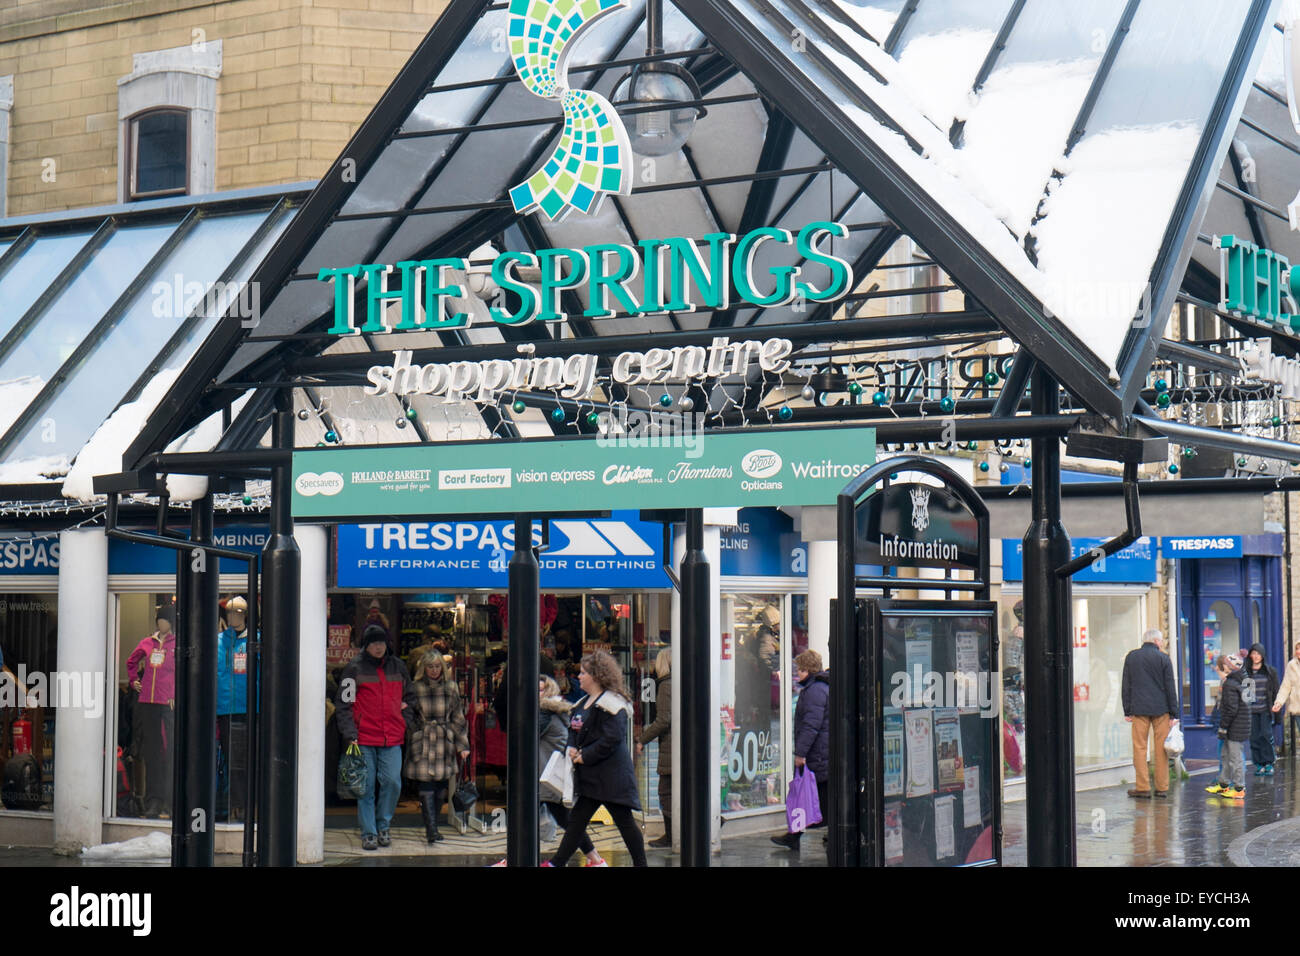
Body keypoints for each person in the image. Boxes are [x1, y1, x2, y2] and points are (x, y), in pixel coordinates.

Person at [544, 650, 647, 867]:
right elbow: (573, 730)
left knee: (625, 823)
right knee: (576, 824)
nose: (579, 676)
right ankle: (556, 863)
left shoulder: (613, 703)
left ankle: (641, 864)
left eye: (583, 673)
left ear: (596, 676)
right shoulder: (582, 703)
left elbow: (612, 738)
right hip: (592, 777)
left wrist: (584, 756)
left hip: (612, 777)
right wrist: (571, 748)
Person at [335, 624, 420, 851]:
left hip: (392, 737)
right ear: (366, 645)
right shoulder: (354, 669)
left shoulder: (399, 667)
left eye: (381, 642)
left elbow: (411, 697)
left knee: (393, 782)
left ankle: (384, 825)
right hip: (363, 738)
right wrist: (350, 733)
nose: (378, 646)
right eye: (373, 642)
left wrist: (405, 719)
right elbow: (344, 705)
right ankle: (369, 832)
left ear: (387, 643)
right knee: (365, 788)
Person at [539, 675, 605, 866]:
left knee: (567, 821)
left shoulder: (544, 713)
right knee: (567, 821)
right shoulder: (556, 711)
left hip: (546, 775)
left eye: (541, 689)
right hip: (549, 775)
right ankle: (594, 859)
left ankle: (591, 859)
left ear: (549, 691)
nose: (537, 693)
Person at [405, 650, 470, 844]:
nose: (434, 670)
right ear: (423, 668)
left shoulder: (451, 687)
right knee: (426, 784)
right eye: (430, 666)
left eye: (437, 666)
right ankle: (431, 829)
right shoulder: (415, 687)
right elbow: (409, 713)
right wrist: (415, 730)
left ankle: (434, 825)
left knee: (441, 787)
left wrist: (462, 744)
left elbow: (458, 717)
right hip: (423, 738)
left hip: (444, 738)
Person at [772, 649, 830, 852]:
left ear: (808, 669)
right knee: (813, 795)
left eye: (800, 669)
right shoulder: (819, 688)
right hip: (821, 753)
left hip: (817, 754)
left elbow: (811, 726)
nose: (798, 674)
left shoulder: (815, 691)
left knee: (807, 794)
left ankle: (795, 835)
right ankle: (795, 834)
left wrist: (801, 753)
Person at [126, 613, 177, 818]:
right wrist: (133, 680)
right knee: (152, 752)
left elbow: (182, 670)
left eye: (165, 621)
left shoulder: (176, 644)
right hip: (148, 701)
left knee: (171, 751)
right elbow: (131, 661)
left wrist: (174, 693)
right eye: (159, 621)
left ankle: (171, 800)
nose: (162, 624)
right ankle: (154, 800)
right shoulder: (147, 642)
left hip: (168, 703)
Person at [1120, 628, 1179, 798]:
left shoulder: (1132, 657)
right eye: (1161, 641)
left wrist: (1127, 709)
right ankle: (1162, 787)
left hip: (1139, 709)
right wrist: (1173, 713)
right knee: (1161, 748)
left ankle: (1143, 786)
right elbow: (1170, 687)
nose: (1161, 644)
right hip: (1161, 710)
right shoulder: (1163, 658)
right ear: (1156, 641)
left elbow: (1126, 685)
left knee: (1139, 747)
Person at [216, 595, 252, 821]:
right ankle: (235, 805)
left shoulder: (255, 640)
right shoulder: (219, 642)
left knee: (249, 759)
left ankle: (246, 805)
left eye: (238, 613)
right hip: (225, 709)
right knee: (231, 760)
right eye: (230, 612)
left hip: (251, 708)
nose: (233, 617)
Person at [636, 648, 673, 849]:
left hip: (671, 747)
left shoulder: (666, 686)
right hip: (680, 746)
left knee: (666, 791)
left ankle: (671, 835)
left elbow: (663, 720)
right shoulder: (681, 682)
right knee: (678, 790)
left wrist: (642, 739)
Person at [1207, 654, 1249, 799]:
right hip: (1237, 724)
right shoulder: (1240, 680)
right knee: (1225, 755)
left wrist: (1223, 726)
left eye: (1225, 664)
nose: (1222, 666)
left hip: (1234, 726)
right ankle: (1223, 784)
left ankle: (1239, 788)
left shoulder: (1231, 684)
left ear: (1228, 667)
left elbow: (1231, 708)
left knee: (1235, 757)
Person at [1242, 642, 1279, 776]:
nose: (1256, 656)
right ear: (1250, 656)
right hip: (1251, 711)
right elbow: (1246, 695)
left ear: (1262, 656)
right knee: (1254, 737)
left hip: (1265, 709)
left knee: (1265, 735)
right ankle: (1258, 764)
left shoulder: (1270, 672)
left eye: (1258, 654)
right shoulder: (1247, 672)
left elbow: (1275, 691)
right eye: (1253, 654)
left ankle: (1268, 763)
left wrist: (1278, 711)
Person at [1271, 641, 1300, 751]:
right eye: (1297, 649)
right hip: (1298, 709)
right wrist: (1278, 702)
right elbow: (1285, 686)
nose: (1298, 651)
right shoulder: (1291, 665)